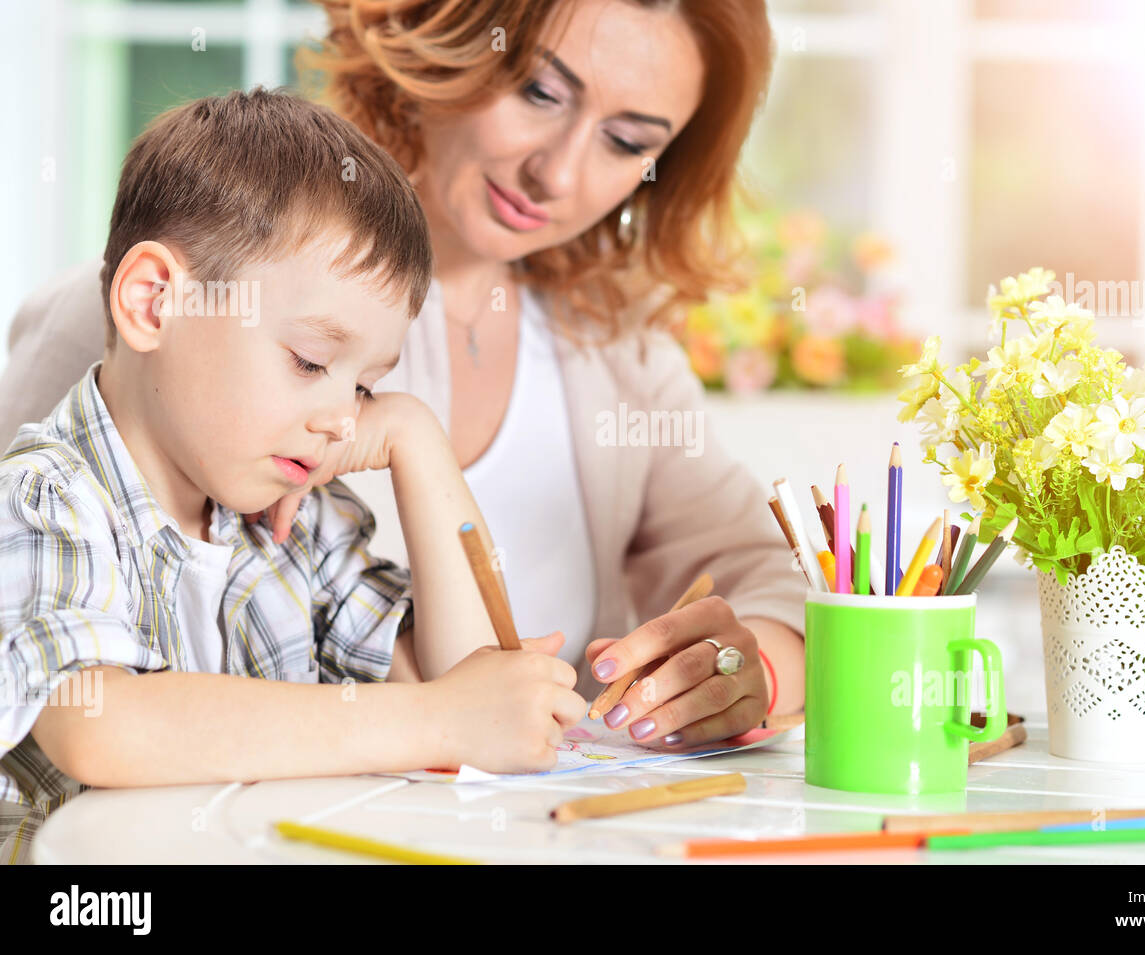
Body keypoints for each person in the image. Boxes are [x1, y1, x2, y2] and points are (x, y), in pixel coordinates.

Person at [0, 0, 806, 758]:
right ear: (445, 38)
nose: (556, 173)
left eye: (629, 142)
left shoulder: (618, 352)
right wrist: (438, 721)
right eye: (539, 91)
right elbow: (74, 710)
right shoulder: (150, 329)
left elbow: (776, 577)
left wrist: (750, 672)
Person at [0, 89, 587, 865]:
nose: (343, 419)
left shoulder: (298, 517)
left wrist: (414, 436)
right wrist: (439, 718)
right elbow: (102, 723)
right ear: (154, 302)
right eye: (311, 361)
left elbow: (459, 671)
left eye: (364, 384)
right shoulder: (47, 496)